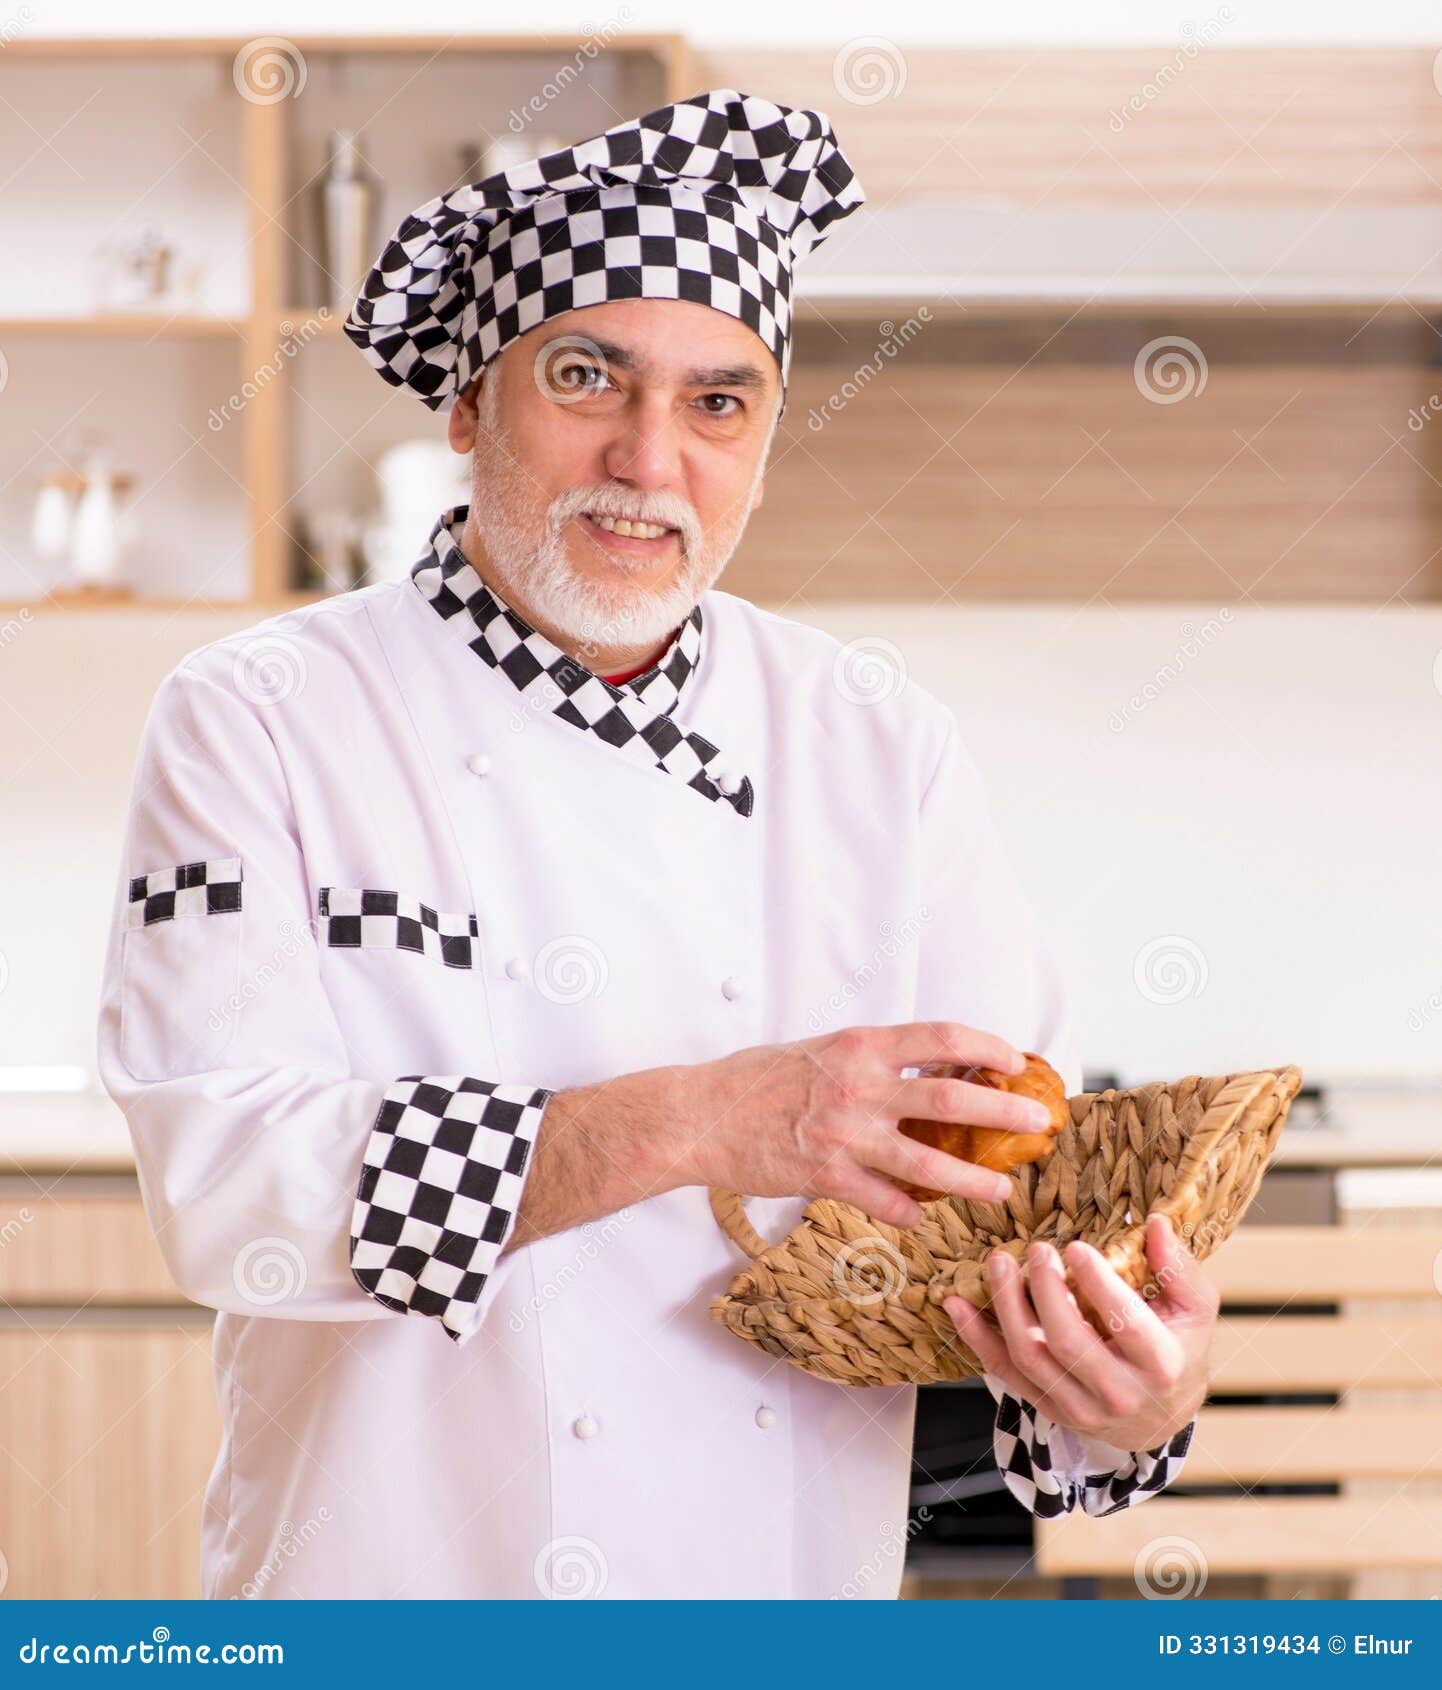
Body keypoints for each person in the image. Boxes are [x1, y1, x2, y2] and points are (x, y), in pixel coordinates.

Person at [97, 89, 1207, 1601]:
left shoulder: (872, 740)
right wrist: (698, 1120)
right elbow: (233, 1190)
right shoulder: (263, 714)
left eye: (717, 401)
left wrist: (1123, 1401)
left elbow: (1013, 1215)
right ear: (466, 407)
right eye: (585, 376)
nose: (648, 457)